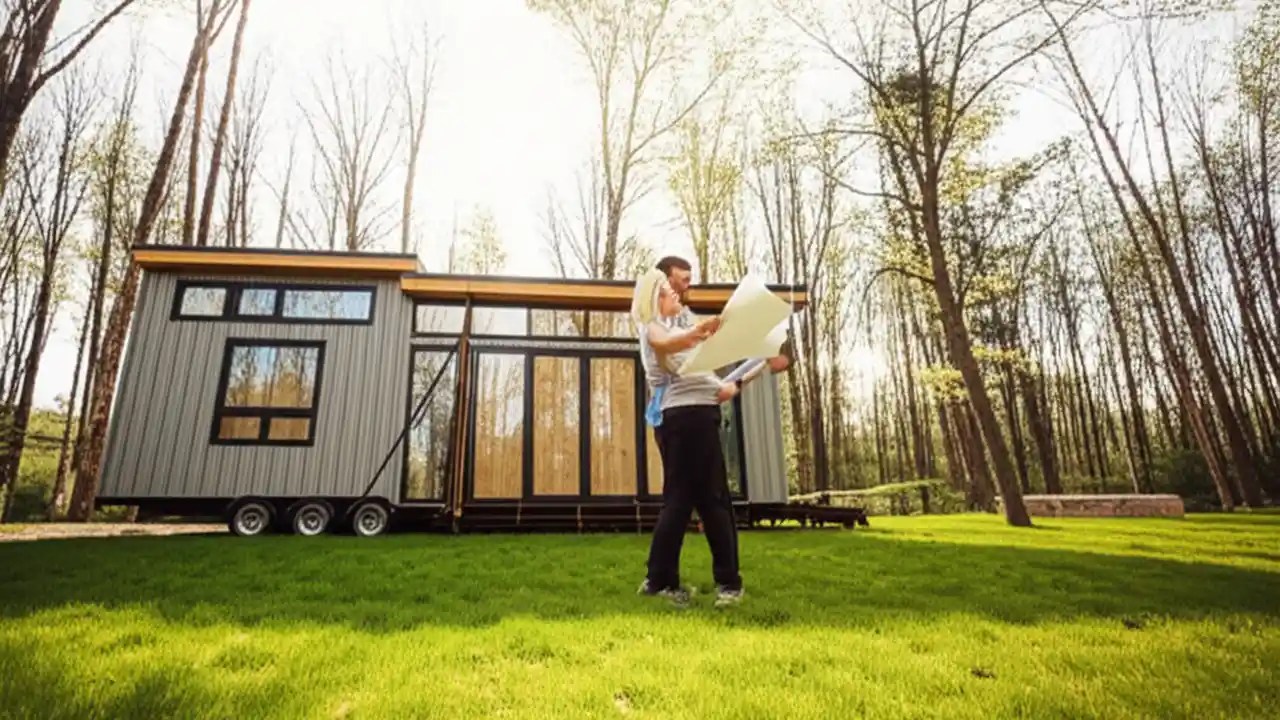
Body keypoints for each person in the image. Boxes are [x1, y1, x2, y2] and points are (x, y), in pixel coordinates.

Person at [631, 257, 790, 609]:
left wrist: (760, 362)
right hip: (688, 421)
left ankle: (659, 579)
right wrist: (700, 334)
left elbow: (717, 386)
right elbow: (667, 344)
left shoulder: (680, 320)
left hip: (694, 415)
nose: (681, 290)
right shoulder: (656, 325)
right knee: (711, 502)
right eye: (674, 286)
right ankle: (726, 584)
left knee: (685, 501)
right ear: (658, 292)